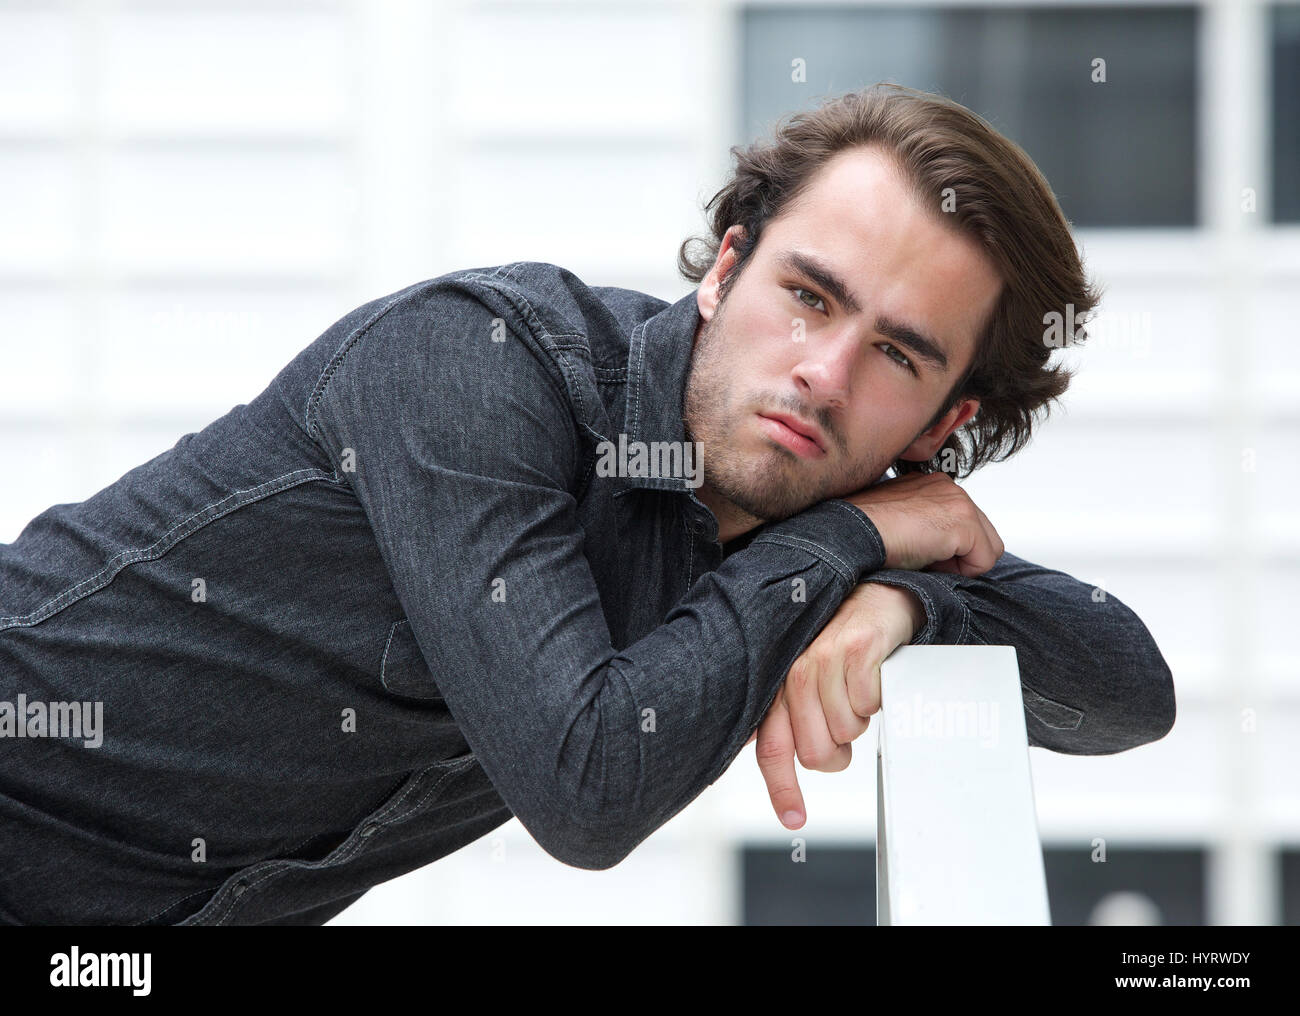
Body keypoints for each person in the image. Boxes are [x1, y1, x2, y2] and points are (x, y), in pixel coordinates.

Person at [0, 83, 1174, 926]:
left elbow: (1126, 690)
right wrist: (860, 537)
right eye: (808, 296)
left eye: (899, 354)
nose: (824, 372)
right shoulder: (478, 364)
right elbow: (589, 781)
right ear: (723, 272)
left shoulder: (798, 520)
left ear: (938, 431)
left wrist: (906, 606)